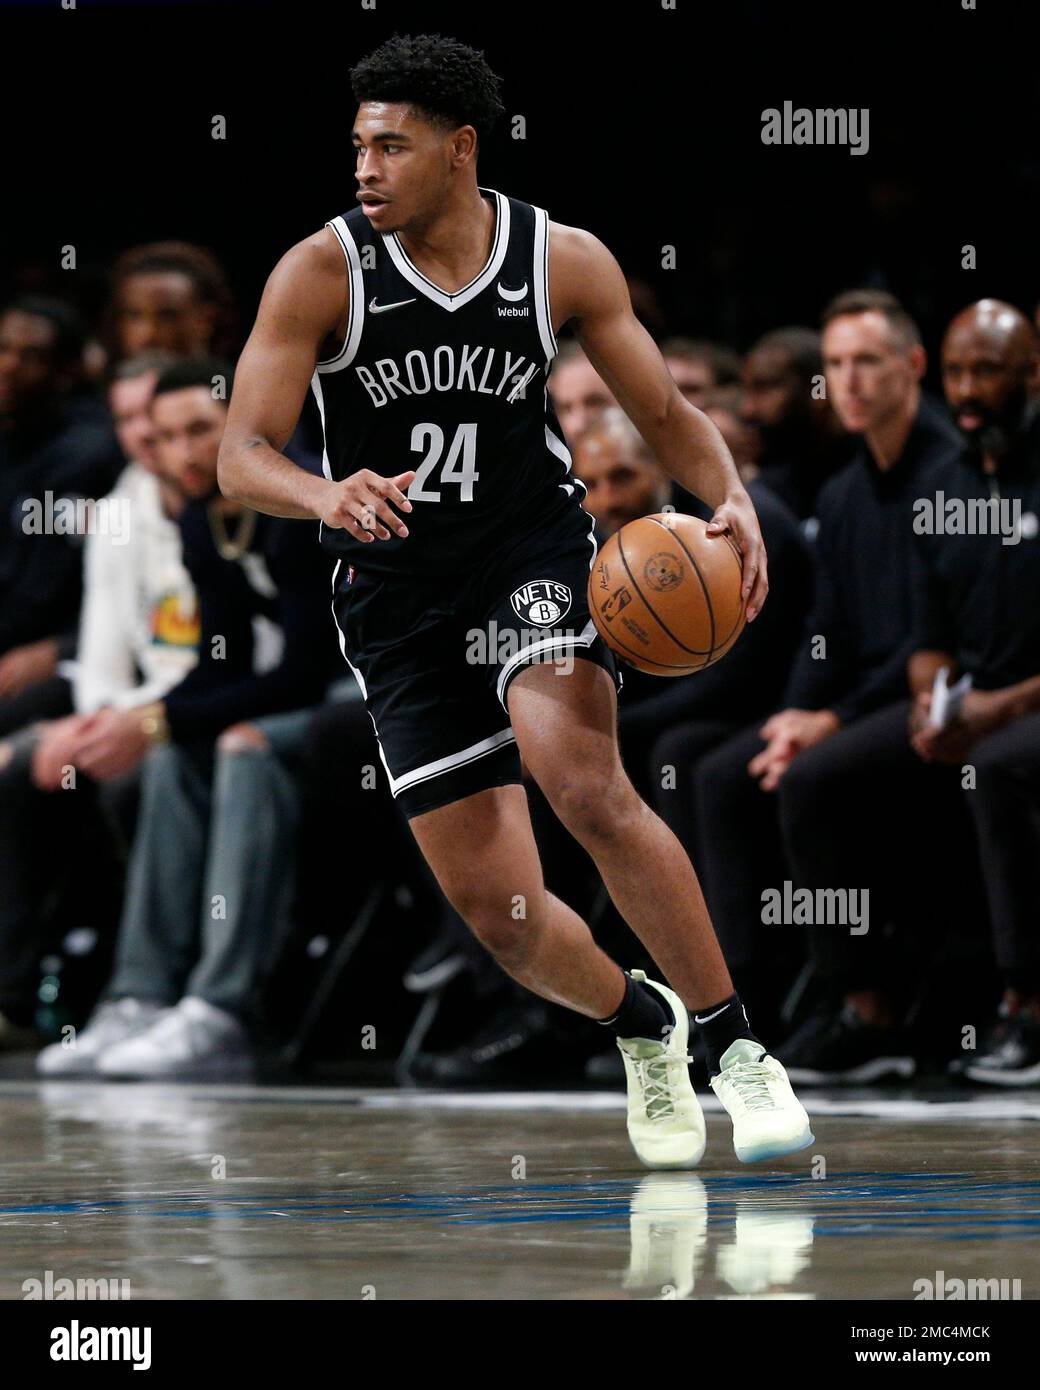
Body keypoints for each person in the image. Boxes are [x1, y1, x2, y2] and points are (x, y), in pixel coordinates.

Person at [217, 32, 811, 1166]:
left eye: (389, 146)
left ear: (460, 149)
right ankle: (646, 1028)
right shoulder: (320, 269)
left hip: (526, 556)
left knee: (583, 781)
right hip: (392, 599)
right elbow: (240, 455)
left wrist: (727, 494)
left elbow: (666, 415)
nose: (364, 168)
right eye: (355, 146)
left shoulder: (562, 260)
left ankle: (738, 1052)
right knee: (506, 919)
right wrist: (324, 490)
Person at [37, 357, 338, 1078]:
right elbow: (220, 666)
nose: (182, 452)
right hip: (303, 697)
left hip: (371, 699)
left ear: (244, 422)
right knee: (175, 752)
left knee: (240, 743)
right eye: (165, 437)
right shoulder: (207, 524)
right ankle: (140, 995)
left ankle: (220, 1007)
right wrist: (157, 721)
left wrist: (163, 717)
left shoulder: (302, 501)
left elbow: (306, 669)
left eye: (201, 430)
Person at [697, 290, 968, 1084]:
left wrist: (830, 719)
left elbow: (933, 640)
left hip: (936, 694)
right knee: (719, 771)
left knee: (813, 778)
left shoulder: (951, 473)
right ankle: (743, 1006)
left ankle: (867, 1004)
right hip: (862, 697)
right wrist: (795, 710)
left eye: (867, 362)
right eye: (837, 364)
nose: (846, 380)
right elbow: (827, 626)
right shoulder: (849, 490)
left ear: (913, 367)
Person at [0, 351, 199, 1048]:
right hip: (134, 711)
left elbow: (243, 660)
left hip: (201, 713)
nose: (145, 436)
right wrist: (105, 722)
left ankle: (147, 987)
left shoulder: (229, 508)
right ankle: (14, 997)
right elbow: (103, 658)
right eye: (126, 420)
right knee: (22, 767)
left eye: (156, 416)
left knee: (128, 788)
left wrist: (143, 720)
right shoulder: (116, 511)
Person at [911, 299, 1040, 1085]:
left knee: (997, 766)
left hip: (1020, 710)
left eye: (986, 371)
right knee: (823, 777)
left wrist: (1003, 707)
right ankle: (872, 1005)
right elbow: (927, 641)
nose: (966, 388)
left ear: (1031, 374)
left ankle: (1023, 1005)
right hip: (979, 708)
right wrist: (932, 704)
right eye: (956, 370)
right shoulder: (943, 484)